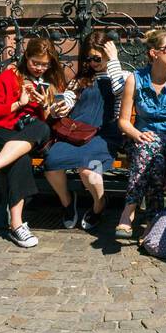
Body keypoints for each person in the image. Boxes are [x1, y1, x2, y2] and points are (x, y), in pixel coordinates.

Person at [0, 38, 67, 248]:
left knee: (41, 127)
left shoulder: (51, 81)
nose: (39, 68)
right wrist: (17, 104)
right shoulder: (10, 77)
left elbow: (51, 122)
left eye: (44, 64)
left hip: (29, 135)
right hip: (0, 133)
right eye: (35, 63)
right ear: (26, 58)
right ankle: (17, 225)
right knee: (20, 159)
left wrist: (44, 106)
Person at [114, 30, 166, 241]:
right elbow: (123, 121)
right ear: (154, 53)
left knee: (153, 148)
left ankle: (129, 210)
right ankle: (152, 222)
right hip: (139, 140)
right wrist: (137, 134)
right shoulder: (135, 79)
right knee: (153, 156)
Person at [42, 31, 125, 232]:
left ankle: (99, 206)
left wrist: (114, 60)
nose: (92, 63)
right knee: (51, 162)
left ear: (108, 54)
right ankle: (67, 203)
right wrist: (58, 107)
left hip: (103, 135)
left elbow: (120, 90)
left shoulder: (123, 76)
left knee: (90, 172)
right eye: (88, 58)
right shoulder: (81, 80)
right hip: (76, 134)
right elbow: (68, 100)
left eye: (97, 58)